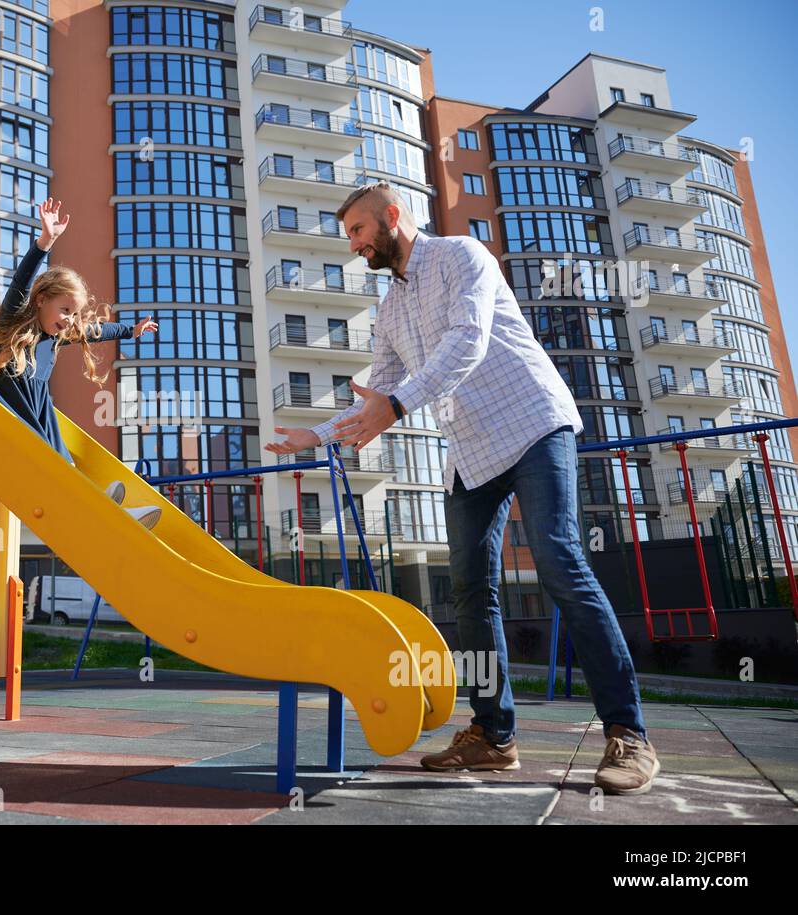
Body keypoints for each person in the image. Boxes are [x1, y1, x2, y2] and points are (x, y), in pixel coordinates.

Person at [264, 181, 658, 795]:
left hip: (531, 421)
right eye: (349, 237)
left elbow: (465, 343)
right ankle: (493, 737)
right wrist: (313, 438)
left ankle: (628, 736)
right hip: (472, 448)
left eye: (359, 231)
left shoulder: (463, 257)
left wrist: (394, 404)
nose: (355, 245)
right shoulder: (391, 309)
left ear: (392, 217)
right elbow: (380, 391)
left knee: (558, 561)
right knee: (472, 588)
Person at [0, 198, 161, 528]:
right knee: (52, 461)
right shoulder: (13, 326)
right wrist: (45, 242)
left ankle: (108, 512)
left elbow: (94, 330)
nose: (70, 319)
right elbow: (20, 284)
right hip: (4, 420)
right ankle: (97, 503)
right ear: (41, 300)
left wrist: (132, 330)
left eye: (74, 313)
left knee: (60, 457)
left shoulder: (54, 338)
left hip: (35, 416)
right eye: (65, 310)